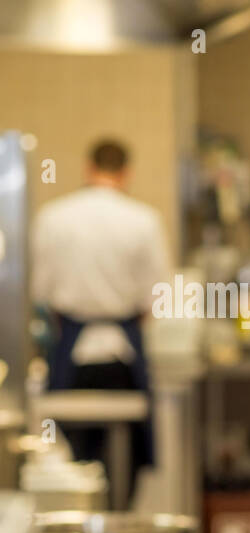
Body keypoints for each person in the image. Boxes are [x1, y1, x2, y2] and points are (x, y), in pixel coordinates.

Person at [30, 138, 166, 501]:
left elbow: (39, 292)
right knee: (125, 460)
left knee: (73, 460)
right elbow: (155, 297)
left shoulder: (52, 217)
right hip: (123, 361)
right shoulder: (144, 220)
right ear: (126, 173)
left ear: (88, 168)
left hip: (70, 360)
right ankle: (118, 519)